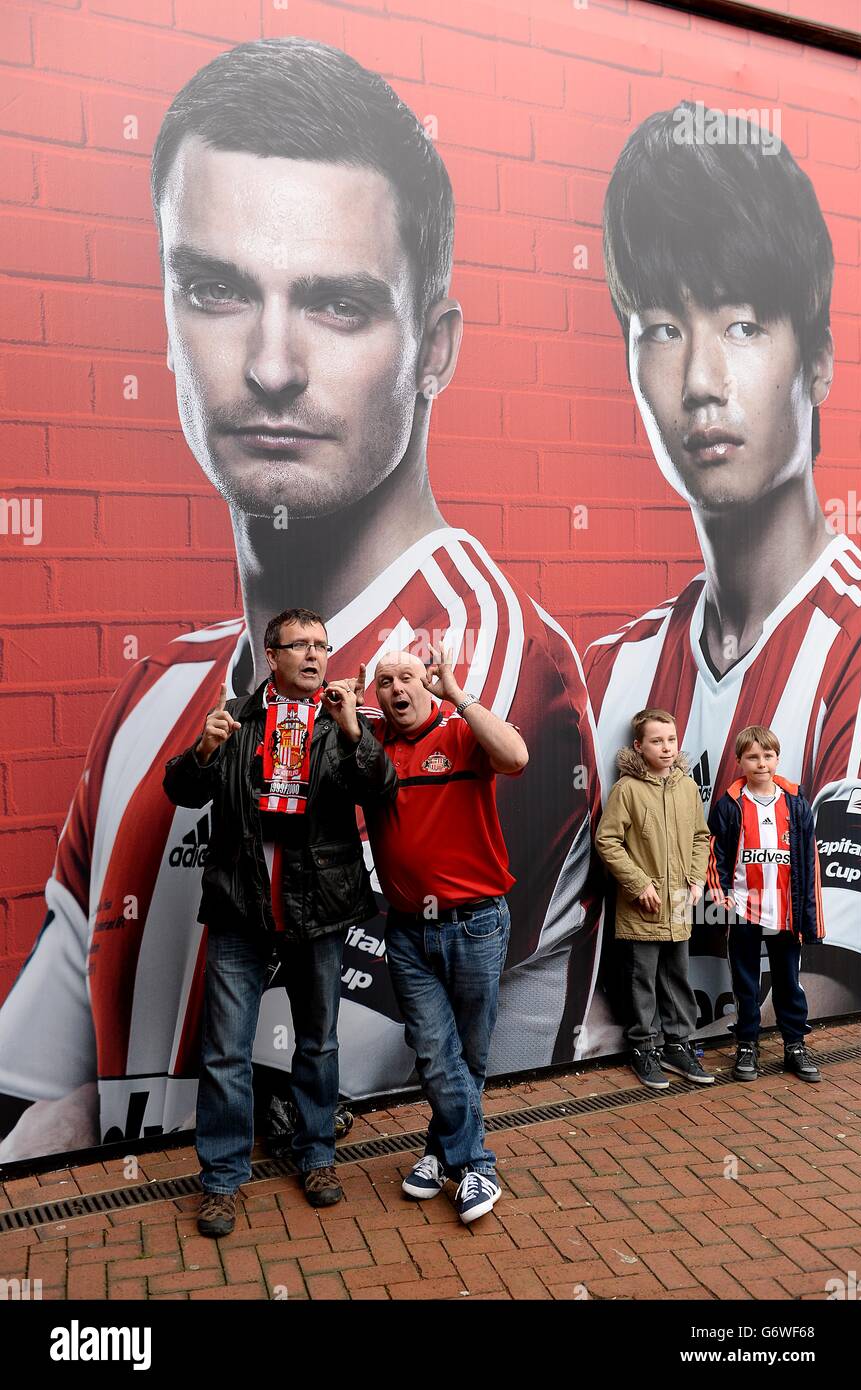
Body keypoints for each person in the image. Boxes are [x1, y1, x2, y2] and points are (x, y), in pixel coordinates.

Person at [0, 36, 602, 1164]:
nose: (270, 364)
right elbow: (22, 1092)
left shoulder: (480, 659)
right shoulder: (155, 697)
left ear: (432, 349)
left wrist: (86, 1137)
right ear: (164, 313)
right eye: (217, 288)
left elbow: (305, 1099)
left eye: (334, 304)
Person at [584, 100, 861, 1047]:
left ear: (816, 359)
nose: (701, 377)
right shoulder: (606, 675)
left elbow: (832, 995)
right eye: (661, 329)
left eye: (743, 325)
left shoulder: (854, 647)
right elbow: (570, 1000)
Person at [163, 607, 397, 1234]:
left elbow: (381, 789)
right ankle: (221, 1179)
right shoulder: (235, 716)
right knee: (225, 1050)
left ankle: (317, 1155)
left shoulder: (339, 714)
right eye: (300, 645)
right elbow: (180, 790)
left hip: (318, 910)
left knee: (317, 1041)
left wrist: (353, 732)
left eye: (323, 645)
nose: (315, 655)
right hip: (242, 908)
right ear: (272, 655)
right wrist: (205, 748)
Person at [363, 648, 528, 1222]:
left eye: (406, 677)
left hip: (476, 923)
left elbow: (515, 756)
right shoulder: (370, 744)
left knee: (469, 1055)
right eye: (384, 682)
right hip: (408, 930)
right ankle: (475, 1165)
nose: (395, 689)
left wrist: (458, 694)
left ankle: (439, 1150)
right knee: (436, 1052)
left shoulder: (461, 732)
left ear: (427, 685)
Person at [594, 709, 713, 1089]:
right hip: (641, 905)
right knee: (640, 979)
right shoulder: (627, 790)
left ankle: (678, 1045)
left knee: (677, 976)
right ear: (639, 746)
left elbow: (700, 836)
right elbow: (607, 841)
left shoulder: (687, 787)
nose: (665, 748)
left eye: (671, 740)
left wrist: (695, 879)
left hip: (678, 901)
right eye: (656, 741)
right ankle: (643, 1048)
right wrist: (638, 883)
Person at [707, 725, 825, 1085]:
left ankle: (795, 1045)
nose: (761, 763)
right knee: (746, 982)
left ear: (777, 758)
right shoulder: (730, 805)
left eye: (768, 755)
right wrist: (720, 889)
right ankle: (746, 1043)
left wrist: (809, 915)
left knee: (789, 981)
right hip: (745, 908)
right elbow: (717, 852)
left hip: (785, 911)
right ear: (740, 761)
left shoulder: (795, 804)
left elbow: (809, 859)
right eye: (753, 757)